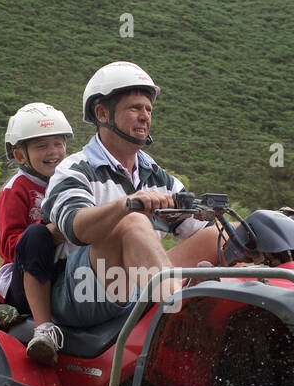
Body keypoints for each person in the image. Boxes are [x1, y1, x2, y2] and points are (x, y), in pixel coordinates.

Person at [41, 62, 220, 328]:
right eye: (135, 108)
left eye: (148, 109)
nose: (145, 116)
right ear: (102, 113)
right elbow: (75, 227)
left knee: (220, 234)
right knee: (132, 220)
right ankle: (180, 317)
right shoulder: (74, 169)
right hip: (81, 290)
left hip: (135, 281)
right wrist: (125, 206)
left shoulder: (159, 177)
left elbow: (198, 228)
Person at [0, 102, 72, 364]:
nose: (53, 152)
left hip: (59, 269)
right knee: (35, 236)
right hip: (21, 279)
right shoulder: (15, 190)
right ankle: (43, 327)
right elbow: (9, 247)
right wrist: (47, 232)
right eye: (41, 146)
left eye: (58, 143)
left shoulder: (70, 182)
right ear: (20, 156)